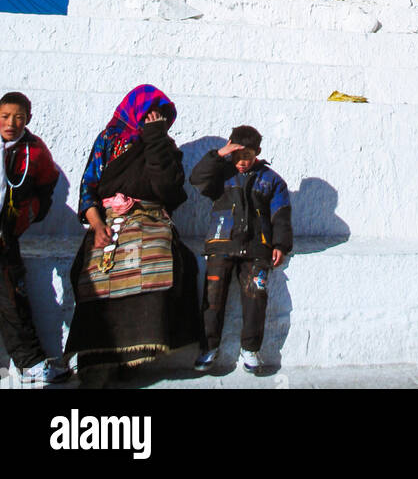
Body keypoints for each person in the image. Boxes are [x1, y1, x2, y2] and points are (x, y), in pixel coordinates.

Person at [66, 84, 200, 380]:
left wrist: (155, 139)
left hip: (152, 217)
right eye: (150, 112)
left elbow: (167, 188)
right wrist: (98, 224)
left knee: (167, 263)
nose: (155, 117)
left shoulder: (166, 147)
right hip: (109, 220)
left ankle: (137, 354)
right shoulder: (107, 140)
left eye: (161, 114)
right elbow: (88, 187)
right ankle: (100, 361)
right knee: (94, 273)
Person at [190, 125, 293, 373]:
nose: (242, 163)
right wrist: (220, 154)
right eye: (237, 156)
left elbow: (281, 214)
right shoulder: (221, 175)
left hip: (257, 248)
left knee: (255, 297)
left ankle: (250, 348)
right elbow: (197, 179)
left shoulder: (271, 180)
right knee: (212, 297)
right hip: (221, 243)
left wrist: (280, 244)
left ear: (257, 152)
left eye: (247, 157)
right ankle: (209, 347)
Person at [0, 91, 69, 384]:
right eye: (4, 116)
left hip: (5, 238)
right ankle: (31, 365)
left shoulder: (34, 150)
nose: (11, 123)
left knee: (13, 300)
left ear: (28, 118)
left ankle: (31, 366)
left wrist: (31, 213)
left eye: (19, 117)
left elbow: (47, 182)